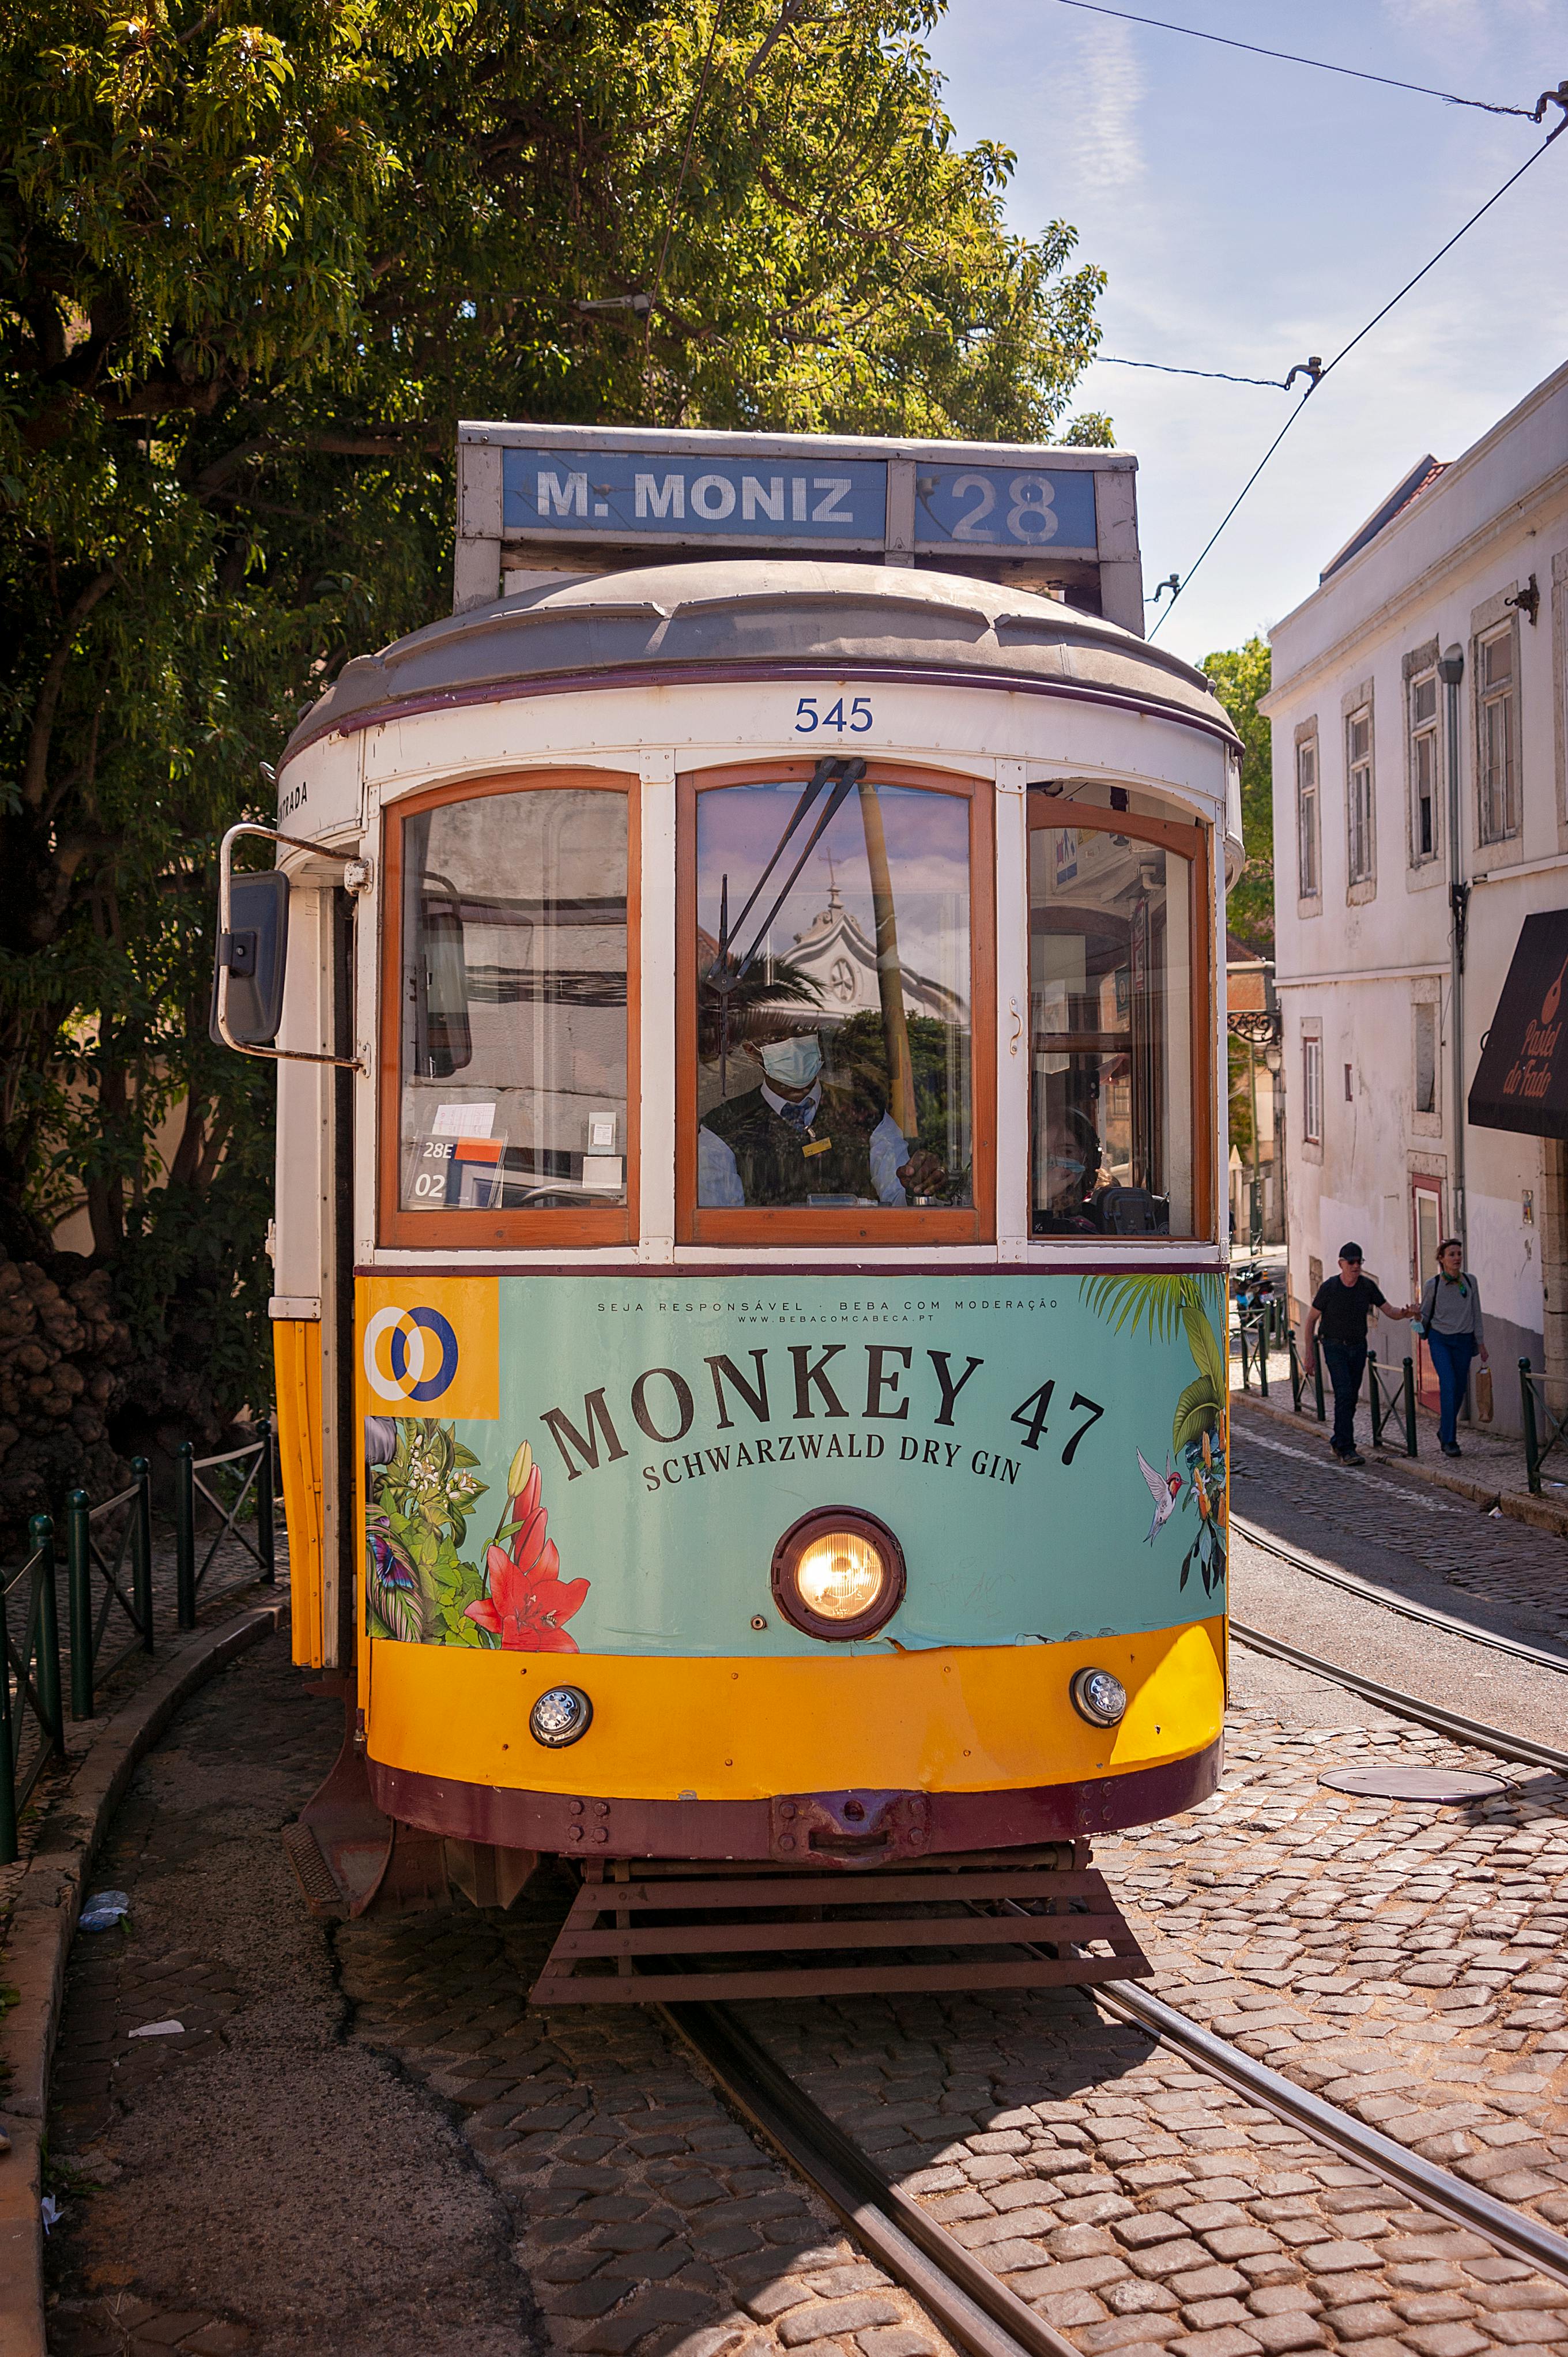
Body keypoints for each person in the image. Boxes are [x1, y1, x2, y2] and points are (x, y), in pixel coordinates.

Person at [697, 1029, 943, 1207]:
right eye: (779, 1039)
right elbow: (721, 1223)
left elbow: (898, 1197)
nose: (794, 1046)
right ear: (752, 1051)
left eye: (802, 1034)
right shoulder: (722, 1129)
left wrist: (915, 1191)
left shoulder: (865, 1112)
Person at [1301, 1242, 1419, 1467]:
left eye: (1359, 1262)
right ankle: (1347, 1449)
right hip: (1334, 1346)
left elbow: (1389, 1311)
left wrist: (1405, 1313)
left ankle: (1338, 1440)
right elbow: (1311, 1320)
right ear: (1341, 1264)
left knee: (1351, 1397)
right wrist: (1310, 1354)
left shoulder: (1367, 1287)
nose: (1356, 1266)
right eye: (1351, 1262)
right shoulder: (1330, 1288)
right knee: (1344, 1393)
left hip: (1358, 1346)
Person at [1417, 1237, 1488, 1458]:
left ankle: (1444, 1430)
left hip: (1464, 1340)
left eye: (1459, 1254)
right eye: (1452, 1255)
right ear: (1442, 1259)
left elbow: (1477, 1312)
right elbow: (1424, 1314)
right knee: (1448, 1384)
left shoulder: (1470, 1282)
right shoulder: (1433, 1285)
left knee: (1459, 1390)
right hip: (1441, 1340)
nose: (1457, 1258)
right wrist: (1415, 1319)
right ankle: (1450, 1440)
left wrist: (1481, 1342)